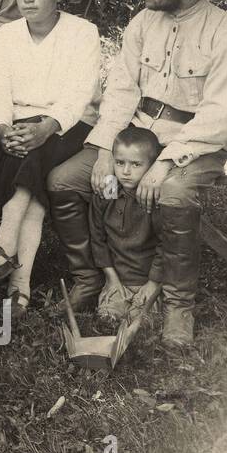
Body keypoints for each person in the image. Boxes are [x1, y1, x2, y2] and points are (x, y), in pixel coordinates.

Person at [46, 0, 227, 345]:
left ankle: (177, 305)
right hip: (136, 134)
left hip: (195, 142)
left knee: (172, 196)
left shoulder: (226, 33)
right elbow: (121, 89)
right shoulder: (142, 22)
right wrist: (104, 149)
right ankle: (92, 279)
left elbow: (219, 115)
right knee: (64, 181)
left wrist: (166, 161)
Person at [0, 0, 101, 312]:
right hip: (16, 128)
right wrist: (2, 128)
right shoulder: (5, 36)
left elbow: (79, 95)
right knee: (32, 169)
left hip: (68, 125)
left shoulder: (82, 32)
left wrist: (47, 127)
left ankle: (4, 245)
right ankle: (18, 287)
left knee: (36, 152)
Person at [90, 127, 164, 327]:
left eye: (136, 164)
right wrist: (111, 279)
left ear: (151, 166)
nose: (126, 172)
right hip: (116, 280)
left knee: (140, 323)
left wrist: (153, 284)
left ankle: (149, 302)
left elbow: (165, 246)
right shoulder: (108, 191)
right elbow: (97, 238)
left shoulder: (155, 199)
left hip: (147, 282)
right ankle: (114, 296)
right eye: (120, 163)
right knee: (107, 318)